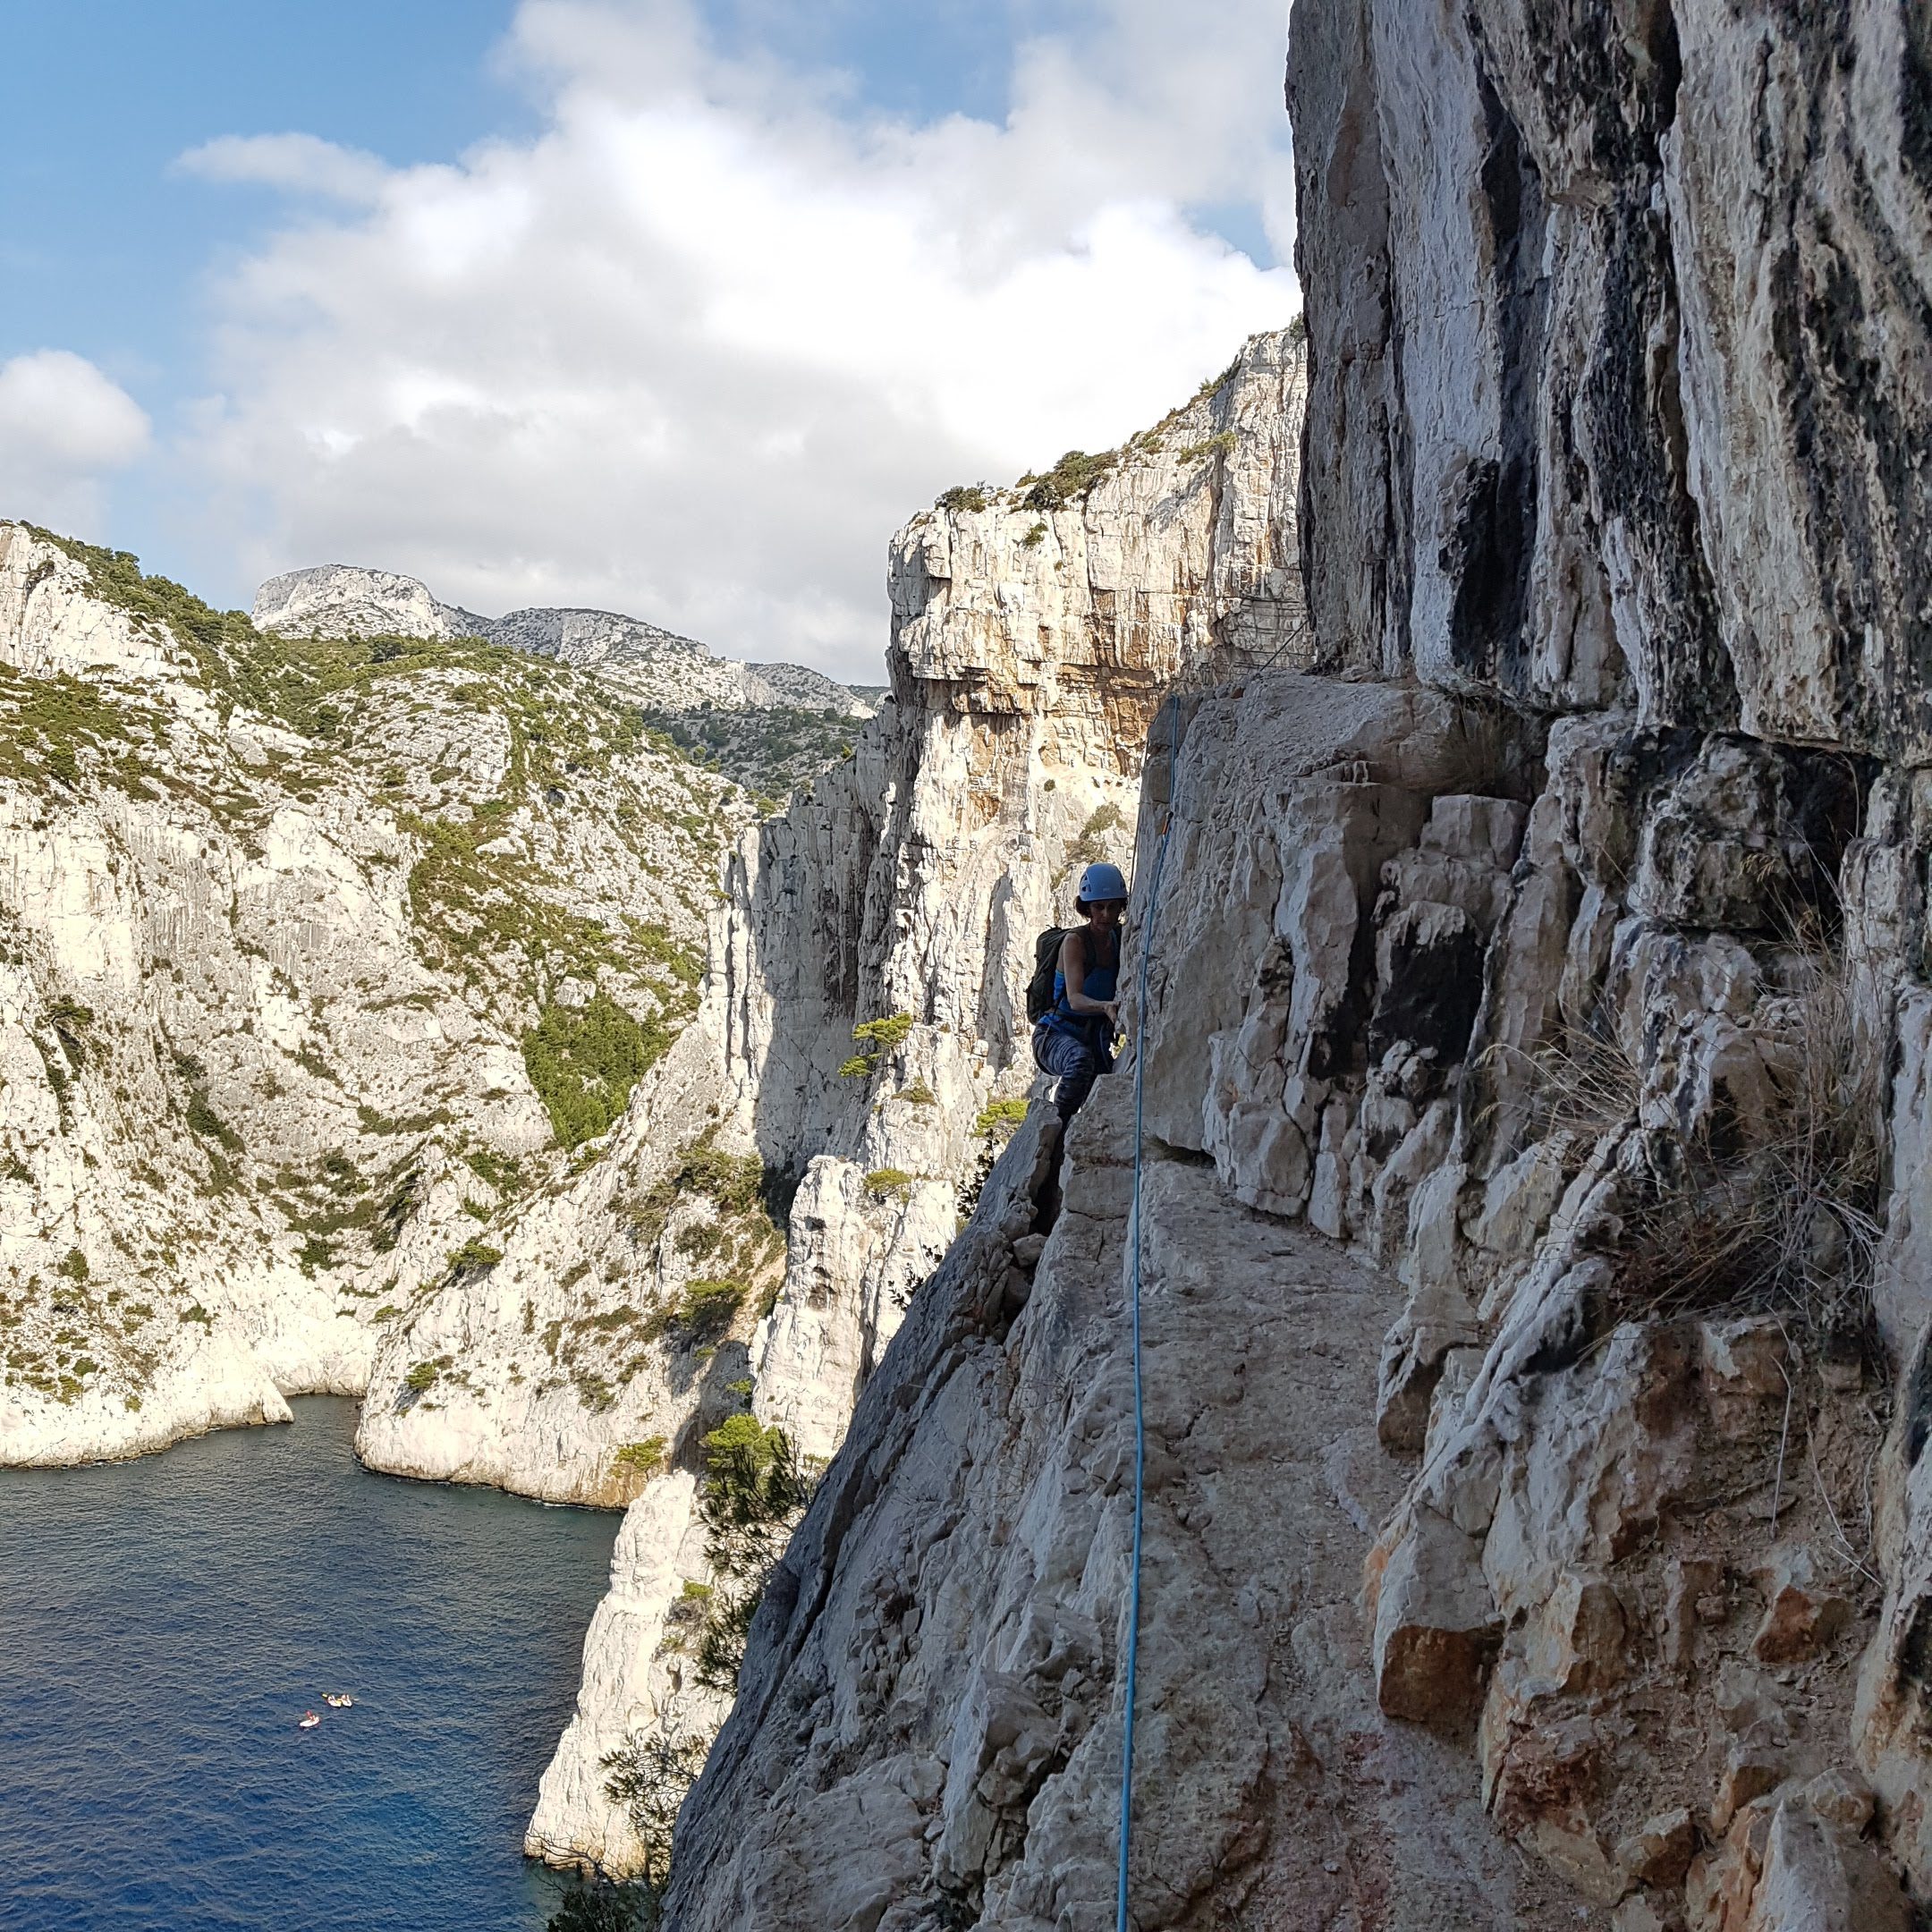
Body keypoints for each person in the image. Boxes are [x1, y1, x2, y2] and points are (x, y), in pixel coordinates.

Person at [1034, 861, 1127, 1122]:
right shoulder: (1075, 941)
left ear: (1121, 906)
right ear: (1087, 908)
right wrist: (1105, 1007)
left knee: (1105, 1093)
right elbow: (1074, 1000)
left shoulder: (1119, 938)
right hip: (1055, 1034)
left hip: (1093, 1039)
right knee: (1079, 1063)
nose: (1106, 915)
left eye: (1112, 906)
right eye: (1098, 907)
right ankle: (1057, 1128)